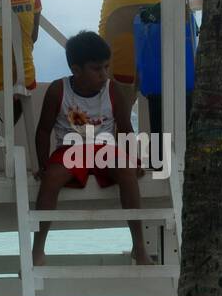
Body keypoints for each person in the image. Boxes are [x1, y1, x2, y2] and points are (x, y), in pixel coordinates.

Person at [31, 31, 151, 267]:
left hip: (106, 148)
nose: (104, 74)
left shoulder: (113, 90)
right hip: (71, 149)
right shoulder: (58, 90)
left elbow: (126, 129)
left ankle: (139, 246)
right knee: (52, 179)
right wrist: (43, 165)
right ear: (76, 70)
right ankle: (38, 247)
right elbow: (43, 130)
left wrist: (134, 161)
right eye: (97, 69)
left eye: (106, 67)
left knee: (126, 173)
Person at [98, 0, 196, 142]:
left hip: (112, 62)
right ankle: (167, 154)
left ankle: (121, 155)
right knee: (176, 80)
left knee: (118, 116)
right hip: (144, 59)